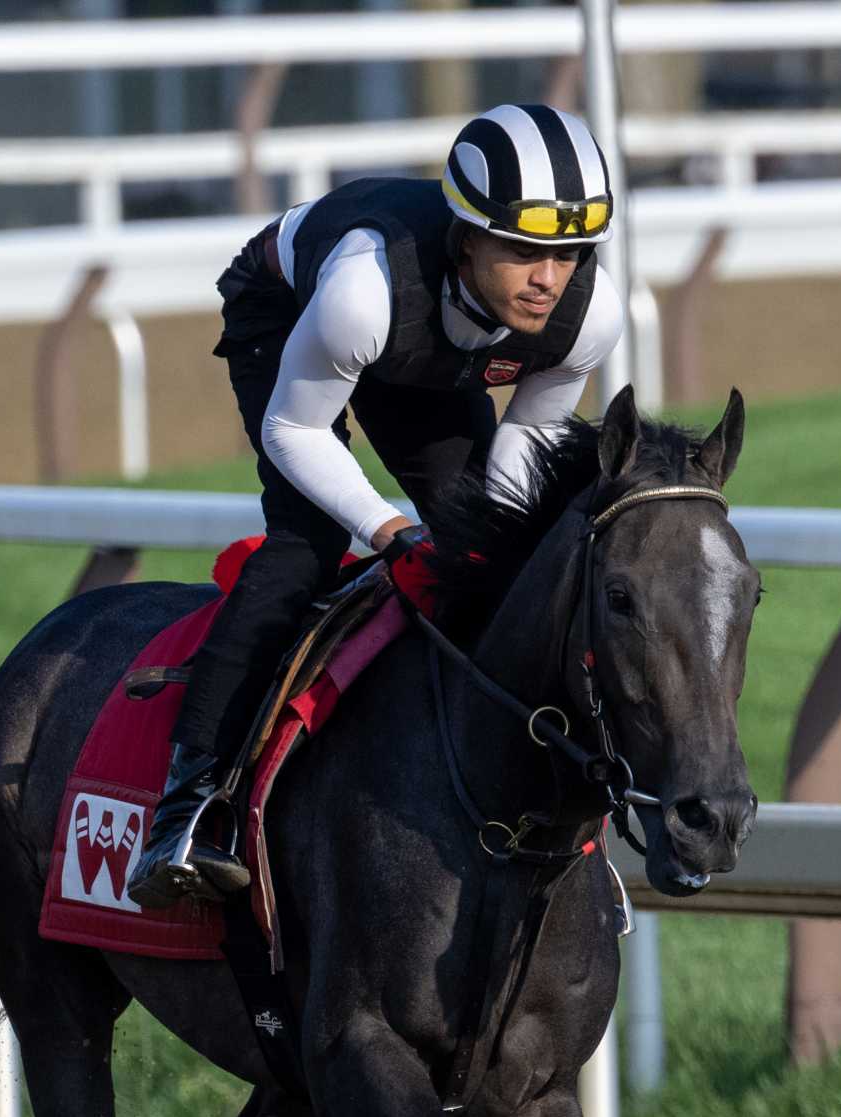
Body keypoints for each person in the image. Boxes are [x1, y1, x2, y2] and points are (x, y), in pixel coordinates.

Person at [127, 102, 626, 909]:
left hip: (424, 343)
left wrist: (478, 551)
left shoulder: (586, 315)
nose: (549, 279)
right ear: (467, 238)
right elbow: (296, 430)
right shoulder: (362, 288)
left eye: (571, 254)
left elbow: (525, 443)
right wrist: (392, 532)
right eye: (525, 251)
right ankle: (188, 809)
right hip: (290, 309)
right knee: (308, 545)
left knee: (488, 549)